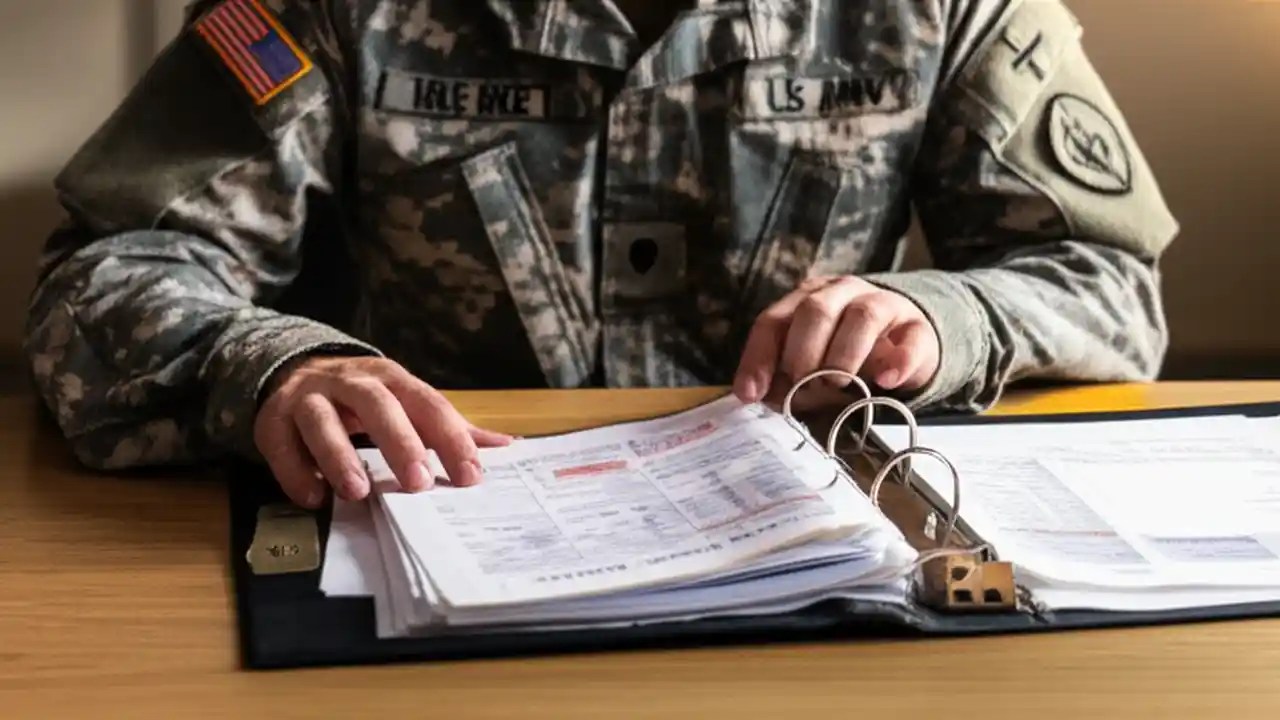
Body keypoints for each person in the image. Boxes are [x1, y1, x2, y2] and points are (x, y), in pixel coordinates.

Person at [24, 0, 1177, 509]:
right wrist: (273, 364)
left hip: (804, 552)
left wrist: (940, 319)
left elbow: (1109, 285)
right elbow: (107, 273)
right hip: (437, 527)